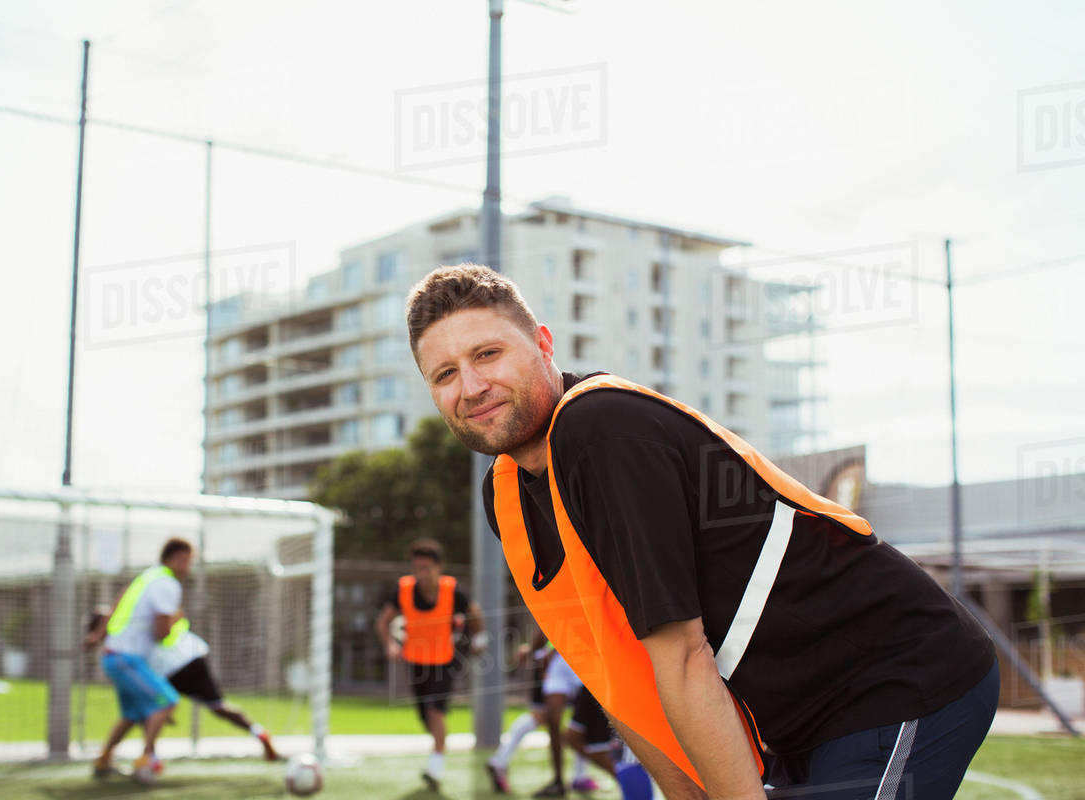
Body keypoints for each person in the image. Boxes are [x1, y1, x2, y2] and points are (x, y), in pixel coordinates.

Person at [405, 264, 999, 800]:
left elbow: (684, 656)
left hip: (891, 675)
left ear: (542, 345)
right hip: (795, 722)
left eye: (487, 354)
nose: (471, 387)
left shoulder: (599, 428)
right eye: (445, 374)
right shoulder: (506, 493)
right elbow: (615, 670)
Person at [85, 610, 279, 762]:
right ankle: (118, 757)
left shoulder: (132, 619)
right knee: (213, 707)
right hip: (172, 668)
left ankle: (146, 759)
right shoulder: (122, 641)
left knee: (211, 706)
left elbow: (172, 615)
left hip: (184, 660)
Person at [375, 538, 485, 792]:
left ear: (439, 567)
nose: (421, 573)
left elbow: (475, 613)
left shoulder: (453, 590)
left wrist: (479, 639)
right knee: (425, 716)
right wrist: (389, 644)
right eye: (417, 567)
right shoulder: (403, 590)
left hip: (446, 659)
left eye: (426, 567)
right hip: (415, 660)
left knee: (436, 710)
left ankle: (436, 766)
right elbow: (383, 622)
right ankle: (438, 744)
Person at [83, 538, 192, 784]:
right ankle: (145, 762)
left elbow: (117, 604)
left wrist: (97, 635)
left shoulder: (146, 578)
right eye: (183, 560)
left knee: (132, 714)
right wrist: (176, 620)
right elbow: (161, 632)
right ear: (169, 559)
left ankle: (103, 759)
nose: (186, 567)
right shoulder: (166, 584)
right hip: (126, 659)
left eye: (189, 561)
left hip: (115, 656)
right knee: (166, 701)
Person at [486, 630, 600, 796]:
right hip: (554, 662)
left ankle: (578, 776)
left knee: (576, 720)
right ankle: (500, 760)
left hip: (567, 659)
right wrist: (539, 650)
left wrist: (533, 650)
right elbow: (547, 626)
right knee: (546, 717)